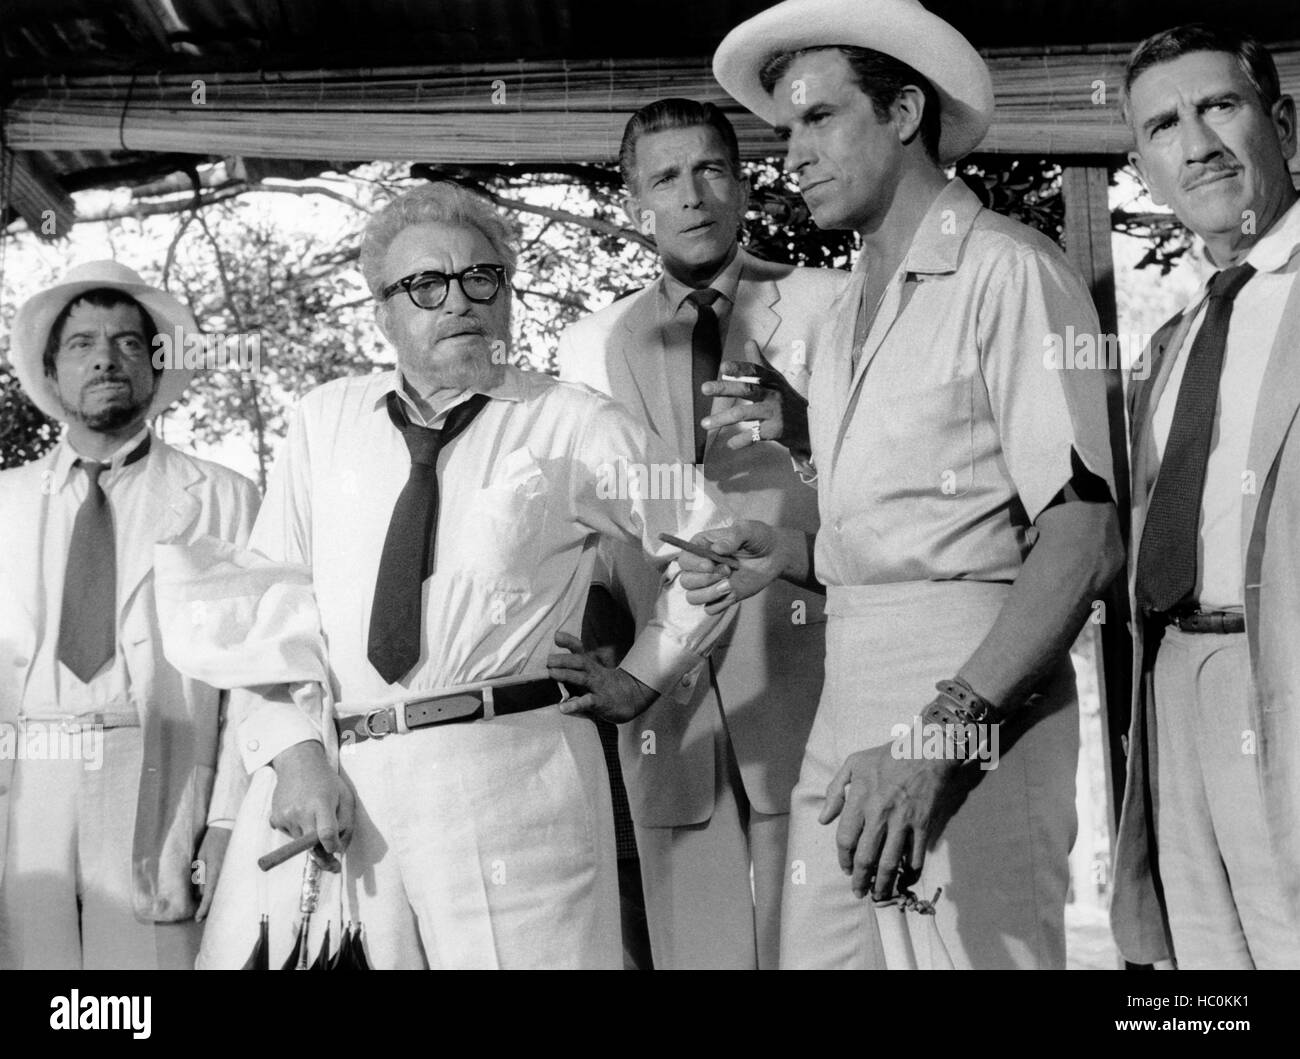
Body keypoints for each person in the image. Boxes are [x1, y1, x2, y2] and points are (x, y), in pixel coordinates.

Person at [191, 182, 738, 969]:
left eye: (483, 278)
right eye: (426, 285)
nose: (461, 302)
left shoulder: (572, 422)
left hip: (515, 781)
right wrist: (293, 753)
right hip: (352, 790)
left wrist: (643, 677)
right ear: (383, 312)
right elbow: (270, 606)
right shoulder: (323, 423)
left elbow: (711, 539)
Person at [689, 0, 1123, 968]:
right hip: (846, 682)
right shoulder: (842, 311)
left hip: (974, 693)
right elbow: (910, 524)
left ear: (901, 114)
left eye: (818, 118)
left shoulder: (1008, 273)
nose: (790, 155)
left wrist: (942, 739)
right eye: (782, 131)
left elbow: (1086, 539)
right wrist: (792, 554)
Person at [556, 97, 845, 969]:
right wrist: (610, 660)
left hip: (806, 686)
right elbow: (589, 533)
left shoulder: (832, 306)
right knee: (693, 955)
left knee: (825, 951)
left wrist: (808, 428)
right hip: (661, 703)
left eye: (712, 169)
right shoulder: (583, 346)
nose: (693, 194)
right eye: (667, 177)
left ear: (744, 182)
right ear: (635, 202)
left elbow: (887, 483)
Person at [0, 261, 258, 968]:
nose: (106, 358)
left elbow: (255, 680)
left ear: (158, 363)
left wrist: (229, 819)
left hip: (159, 767)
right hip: (25, 778)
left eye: (127, 342)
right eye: (81, 343)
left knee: (143, 990)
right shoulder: (6, 501)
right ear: (51, 371)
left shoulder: (224, 497)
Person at [1111, 23, 1300, 969]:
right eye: (1162, 126)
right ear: (1145, 166)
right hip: (1172, 683)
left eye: (1220, 105)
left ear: (1285, 124)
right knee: (1201, 971)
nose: (1196, 141)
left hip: (1285, 682)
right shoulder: (1174, 342)